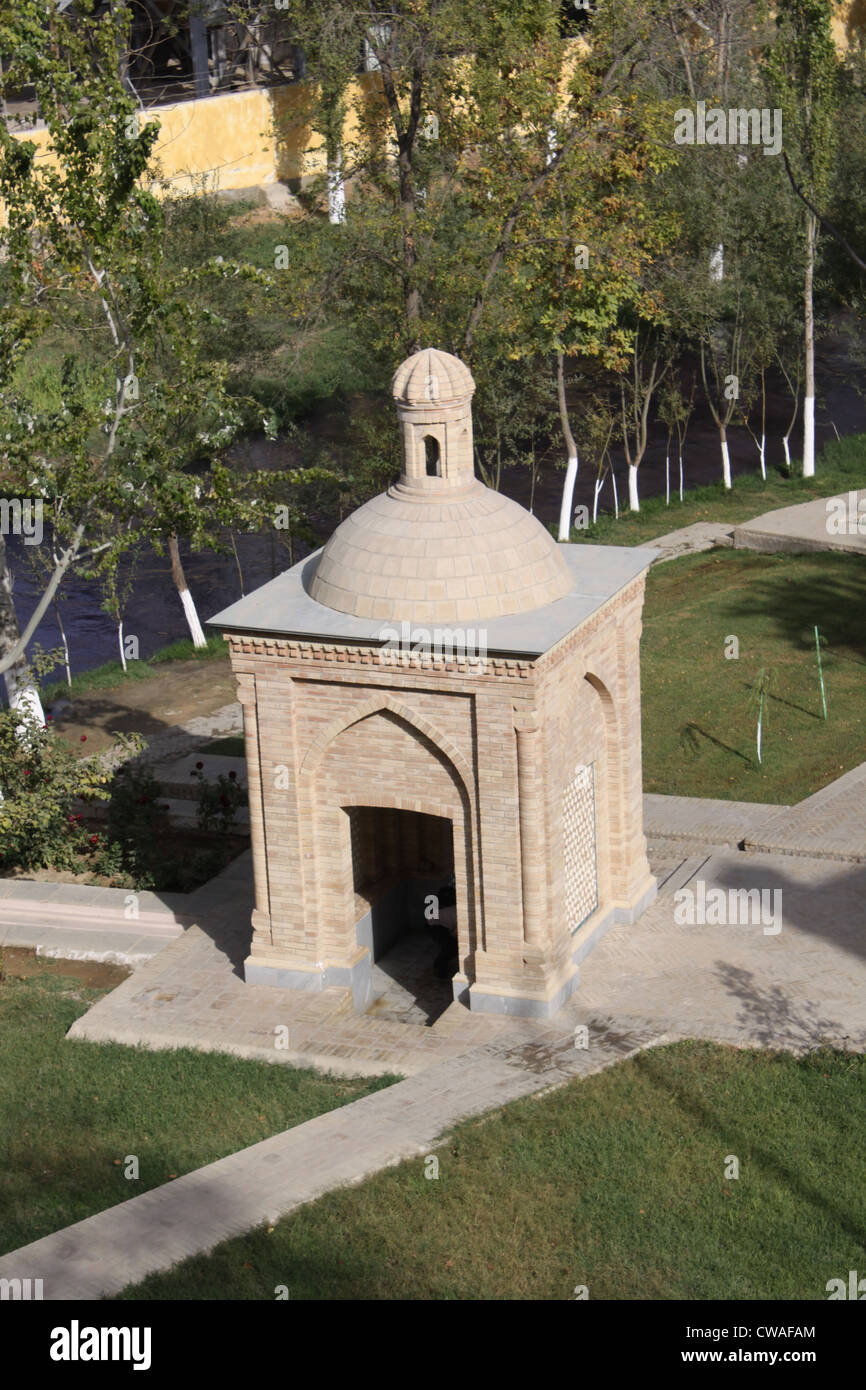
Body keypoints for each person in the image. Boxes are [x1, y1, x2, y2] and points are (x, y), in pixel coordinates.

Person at [428, 874, 459, 978]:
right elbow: (456, 932)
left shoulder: (453, 907)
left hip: (437, 921)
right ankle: (439, 969)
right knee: (451, 947)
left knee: (451, 945)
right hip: (436, 925)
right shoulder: (457, 911)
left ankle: (440, 966)